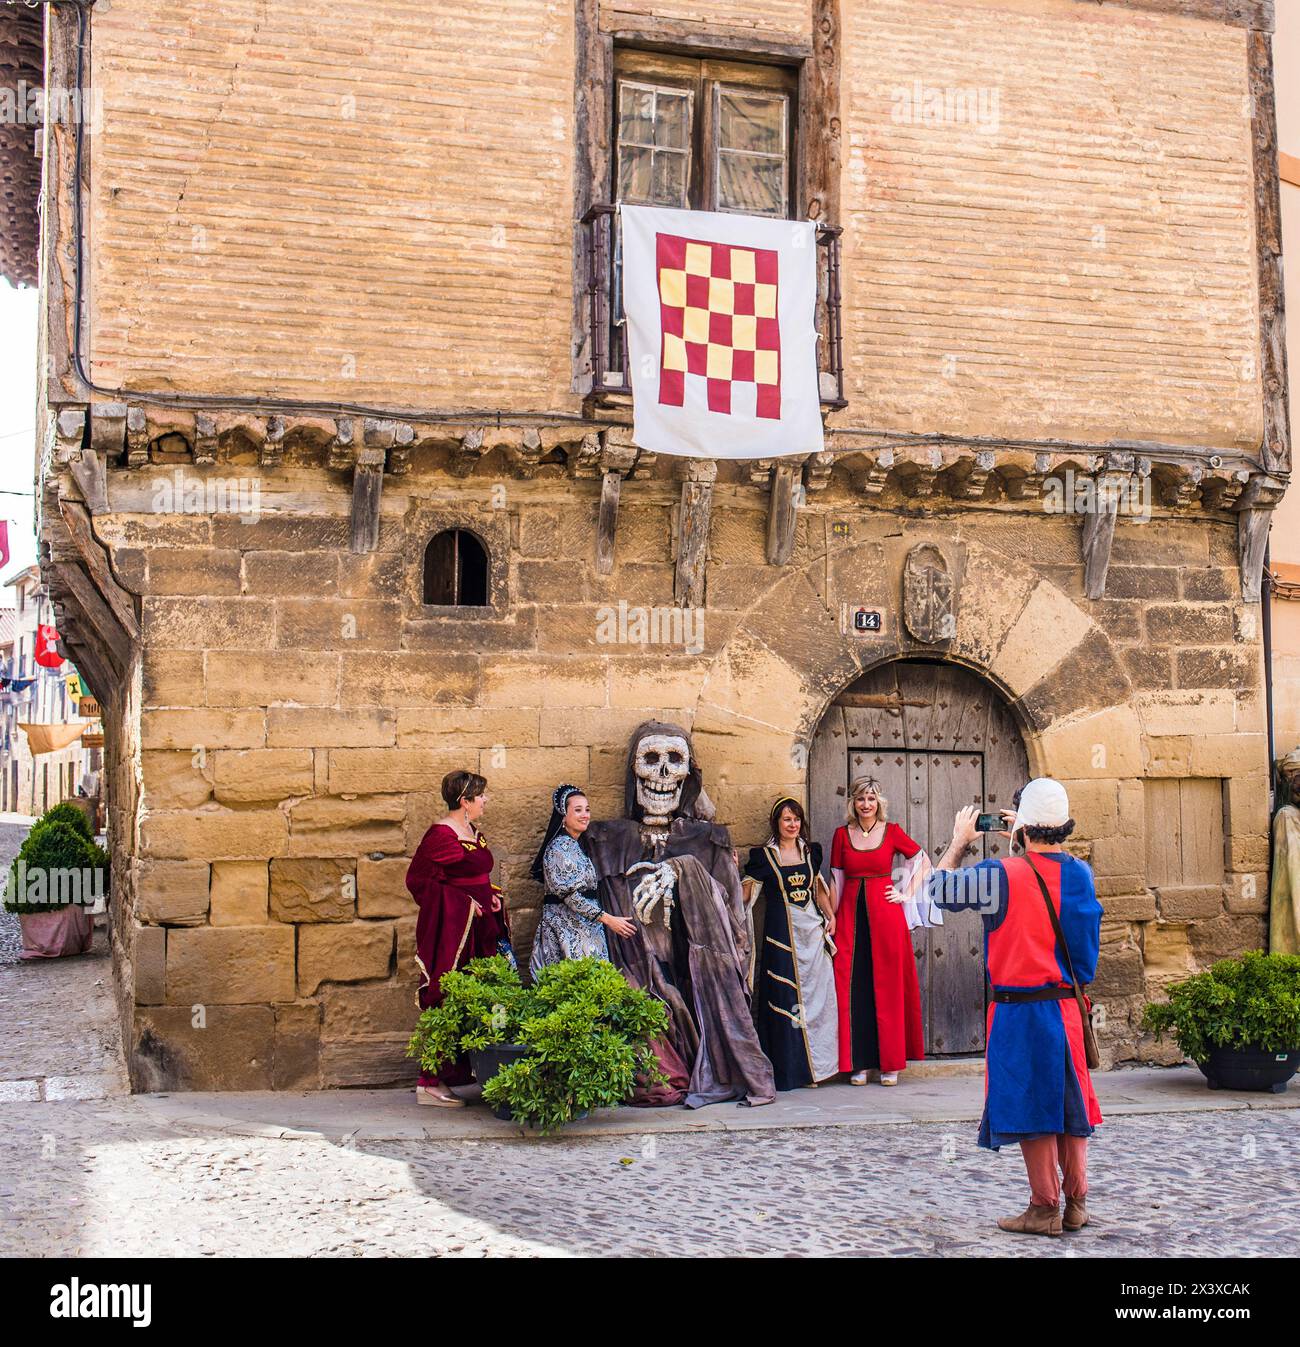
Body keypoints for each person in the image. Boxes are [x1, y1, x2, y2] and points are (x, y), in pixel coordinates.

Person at [930, 779, 1103, 1237]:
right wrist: (1024, 833)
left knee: (1034, 1105)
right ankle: (1077, 1204)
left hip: (1021, 1011)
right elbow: (1087, 953)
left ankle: (1044, 1208)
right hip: (1068, 1008)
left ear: (1022, 827)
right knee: (1071, 1105)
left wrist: (959, 842)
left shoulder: (999, 874)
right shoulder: (1081, 874)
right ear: (1062, 827)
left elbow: (938, 889)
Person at [586, 719, 775, 1108]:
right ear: (633, 770)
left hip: (689, 962)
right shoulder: (608, 839)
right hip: (638, 961)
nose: (662, 775)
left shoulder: (706, 839)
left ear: (688, 773)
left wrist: (683, 870)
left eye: (674, 762)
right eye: (650, 761)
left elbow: (728, 910)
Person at [405, 770, 514, 1108]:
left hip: (481, 929)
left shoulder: (471, 831)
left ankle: (483, 1072)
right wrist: (465, 904)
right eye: (480, 796)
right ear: (465, 801)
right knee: (447, 997)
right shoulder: (440, 835)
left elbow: (473, 874)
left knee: (491, 996)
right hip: (456, 933)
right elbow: (419, 881)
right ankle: (429, 1081)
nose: (485, 800)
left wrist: (489, 894)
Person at [830, 777, 928, 1085]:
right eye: (860, 799)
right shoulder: (841, 836)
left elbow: (922, 861)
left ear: (879, 802)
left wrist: (906, 893)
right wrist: (830, 916)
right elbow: (837, 880)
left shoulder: (893, 832)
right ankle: (859, 1063)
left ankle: (890, 1063)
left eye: (871, 799)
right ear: (853, 804)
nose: (866, 804)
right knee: (853, 986)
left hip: (886, 917)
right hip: (850, 916)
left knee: (888, 985)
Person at [742, 797, 838, 1090]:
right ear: (777, 823)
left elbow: (817, 890)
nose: (792, 824)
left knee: (816, 1000)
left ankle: (817, 1070)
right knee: (785, 1000)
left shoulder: (811, 853)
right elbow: (744, 896)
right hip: (781, 937)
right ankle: (790, 1071)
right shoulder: (763, 857)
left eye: (796, 819)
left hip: (811, 933)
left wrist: (830, 916)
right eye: (787, 820)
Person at [529, 783, 636, 973]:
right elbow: (571, 896)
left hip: (584, 929)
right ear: (563, 816)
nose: (585, 815)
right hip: (567, 931)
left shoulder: (573, 846)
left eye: (587, 810)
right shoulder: (560, 848)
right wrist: (609, 919)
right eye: (578, 810)